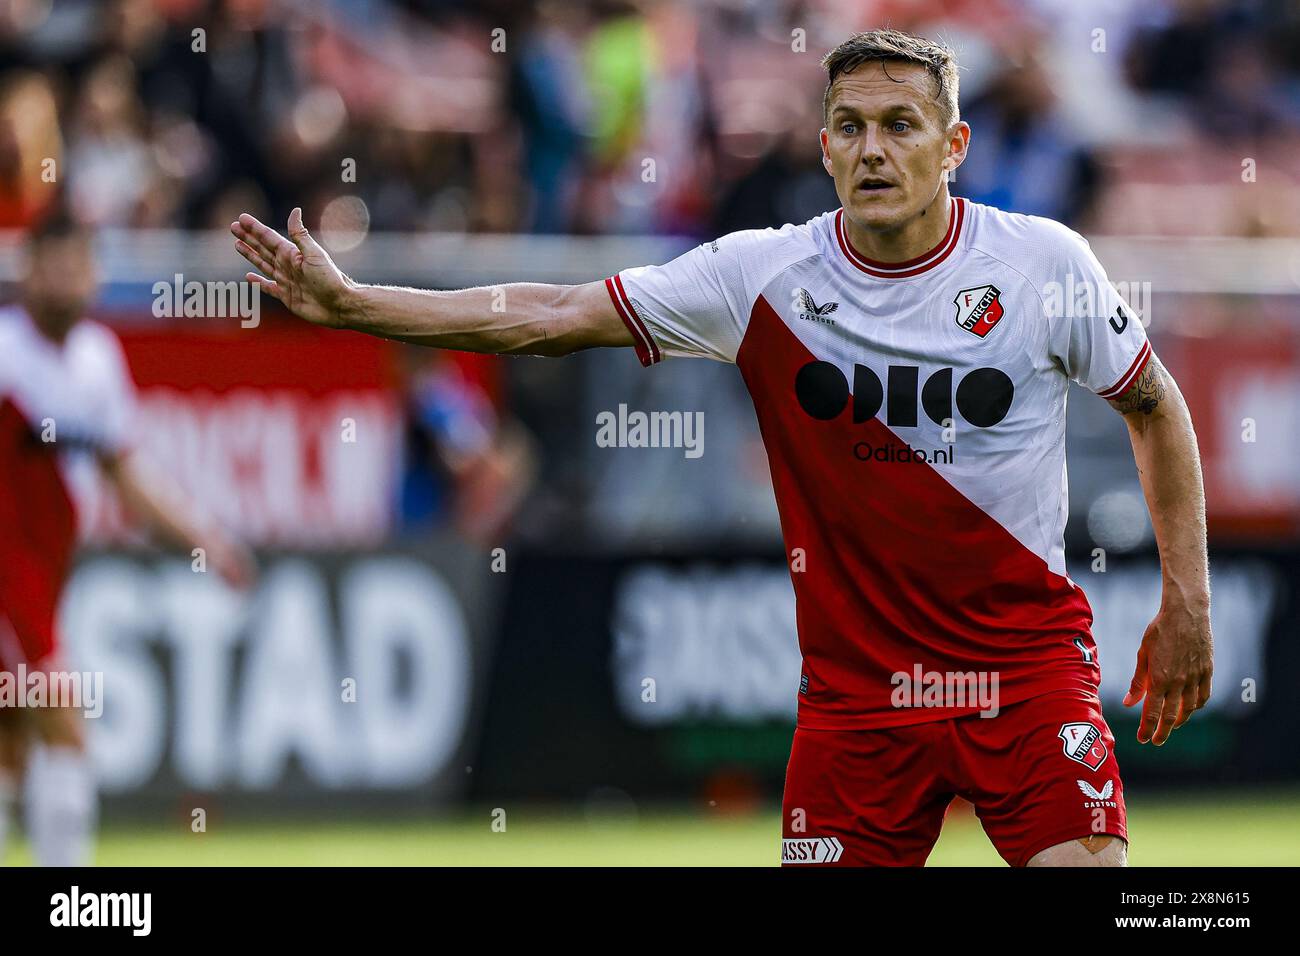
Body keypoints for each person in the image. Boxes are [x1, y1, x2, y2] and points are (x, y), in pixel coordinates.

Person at [230, 29, 1213, 867]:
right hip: (856, 706)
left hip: (1025, 672)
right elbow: (549, 313)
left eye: (901, 125)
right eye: (852, 127)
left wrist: (1186, 599)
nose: (873, 148)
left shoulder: (1042, 264)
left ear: (953, 144)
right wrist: (361, 305)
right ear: (824, 146)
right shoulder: (761, 276)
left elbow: (1156, 407)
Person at [0, 209, 253, 866]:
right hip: (7, 576)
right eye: (52, 267)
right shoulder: (4, 352)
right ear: (27, 271)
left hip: (47, 571)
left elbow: (126, 474)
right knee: (63, 725)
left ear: (96, 274)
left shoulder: (96, 361)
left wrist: (208, 540)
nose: (66, 282)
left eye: (77, 267)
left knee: (9, 743)